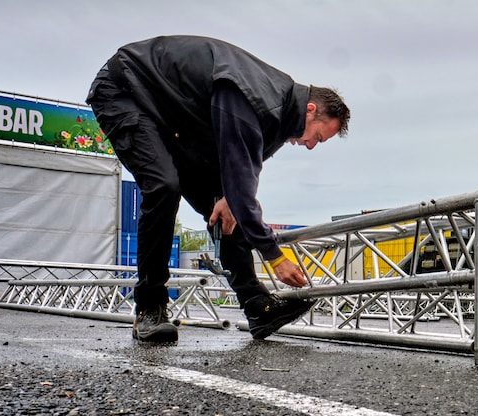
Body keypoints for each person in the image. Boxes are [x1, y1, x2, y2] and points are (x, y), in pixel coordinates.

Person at [86, 35, 350, 343]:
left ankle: (257, 306)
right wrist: (274, 256)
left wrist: (228, 197)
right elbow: (242, 186)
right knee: (163, 186)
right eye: (317, 137)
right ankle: (150, 307)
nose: (309, 147)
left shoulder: (280, 120)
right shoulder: (255, 98)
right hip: (126, 89)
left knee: (227, 208)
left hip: (175, 118)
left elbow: (245, 173)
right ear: (310, 109)